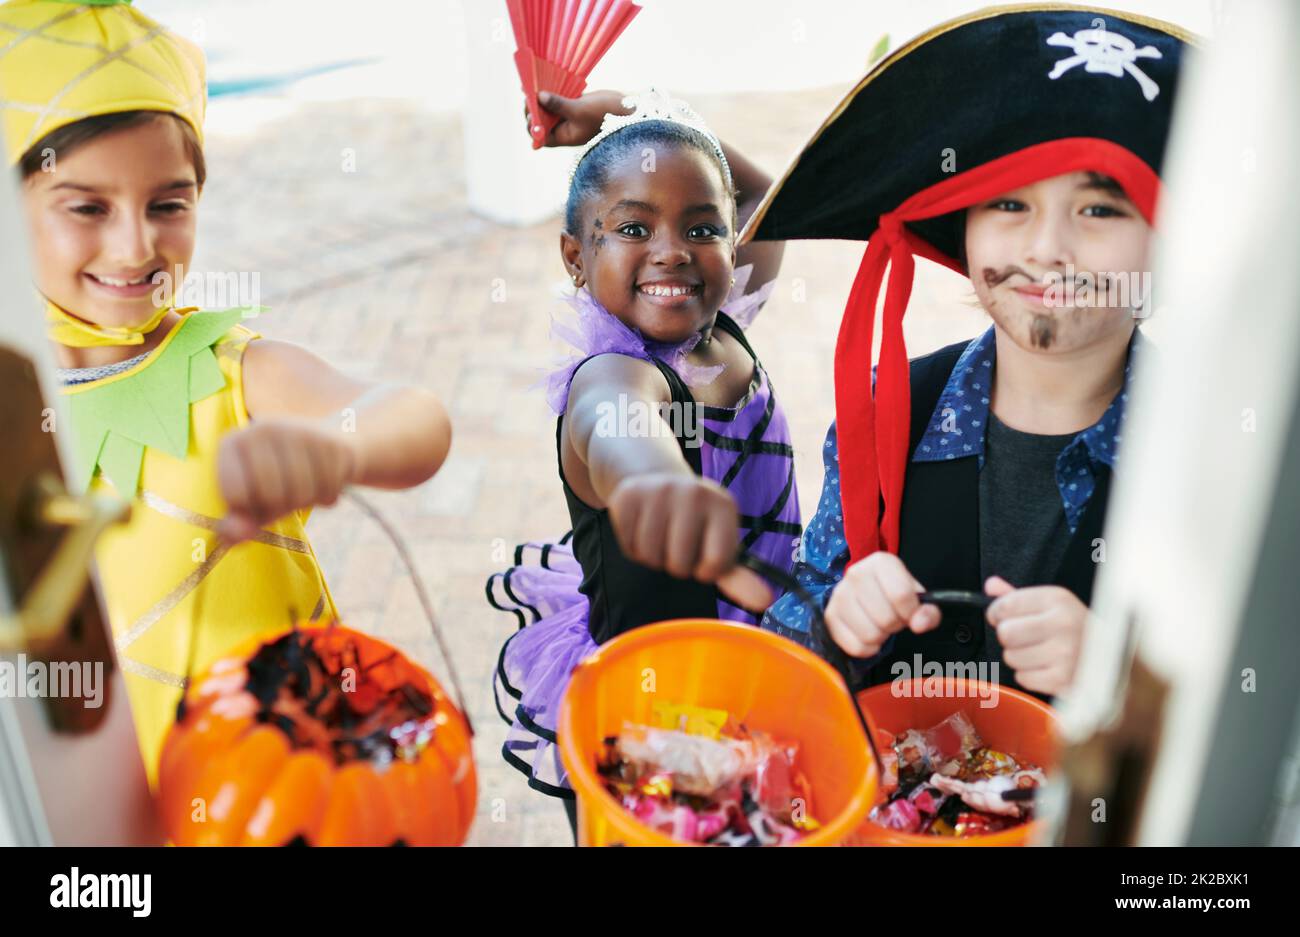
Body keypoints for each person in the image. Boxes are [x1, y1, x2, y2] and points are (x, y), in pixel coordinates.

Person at [3, 0, 452, 781]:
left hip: (288, 797)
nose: (137, 244)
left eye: (168, 204)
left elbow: (417, 423)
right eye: (87, 207)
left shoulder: (236, 373)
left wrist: (333, 445)